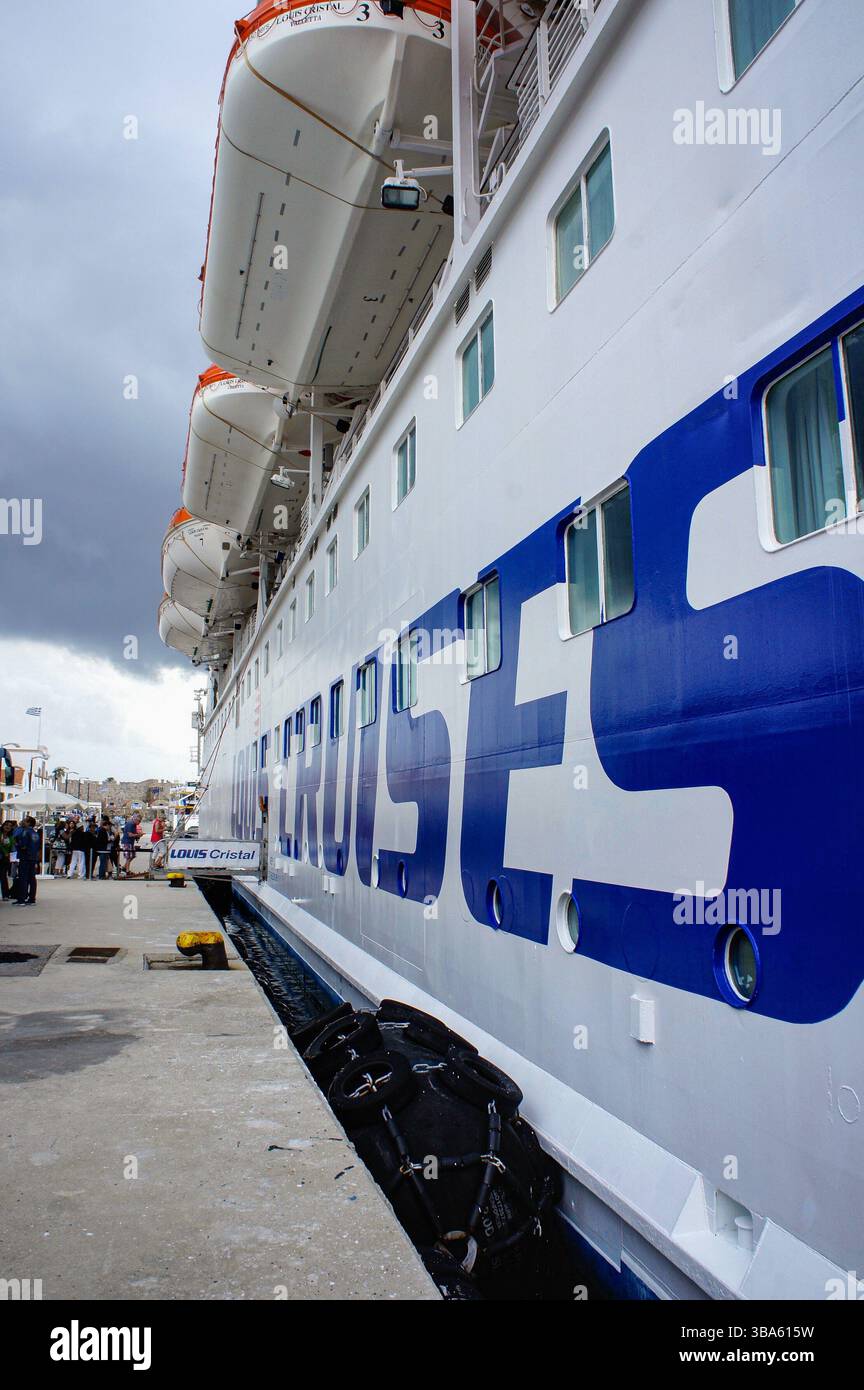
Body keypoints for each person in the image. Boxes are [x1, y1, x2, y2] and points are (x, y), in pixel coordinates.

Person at [12, 817, 40, 905]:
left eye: (24, 820)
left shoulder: (25, 832)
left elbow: (23, 845)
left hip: (25, 857)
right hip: (33, 857)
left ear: (28, 823)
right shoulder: (35, 833)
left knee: (23, 878)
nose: (22, 821)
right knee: (32, 878)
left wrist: (17, 844)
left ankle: (22, 899)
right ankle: (32, 899)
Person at [0, 820, 15, 900]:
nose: (7, 826)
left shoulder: (11, 837)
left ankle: (5, 895)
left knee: (3, 876)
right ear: (3, 825)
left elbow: (12, 848)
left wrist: (11, 856)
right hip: (2, 855)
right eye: (6, 824)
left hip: (5, 859)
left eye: (10, 825)